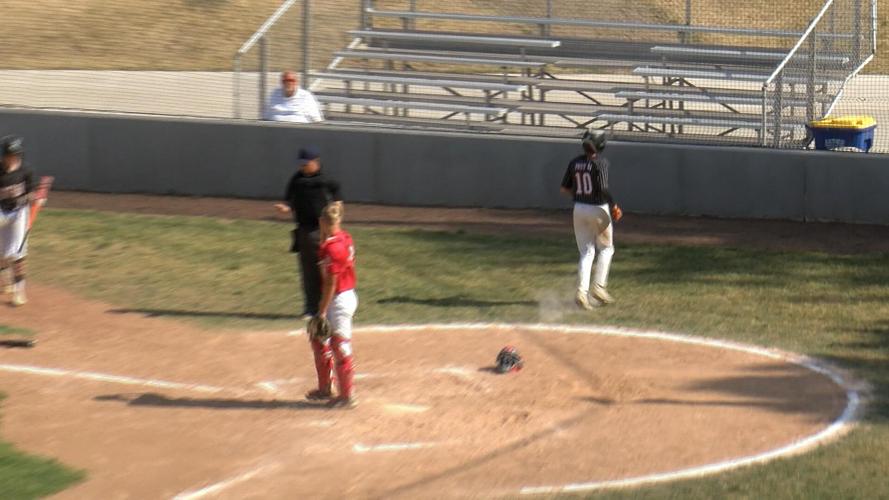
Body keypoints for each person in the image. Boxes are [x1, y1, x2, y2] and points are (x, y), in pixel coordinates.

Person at [274, 147, 342, 318]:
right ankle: (311, 308)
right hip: (304, 230)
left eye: (306, 164)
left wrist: (335, 227)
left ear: (315, 162)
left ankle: (331, 306)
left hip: (324, 231)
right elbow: (289, 200)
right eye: (301, 164)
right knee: (308, 271)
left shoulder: (327, 180)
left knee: (328, 270)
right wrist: (285, 207)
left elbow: (339, 203)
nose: (303, 167)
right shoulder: (297, 180)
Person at [560, 129, 622, 310]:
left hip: (579, 208)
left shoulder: (574, 163)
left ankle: (581, 291)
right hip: (598, 208)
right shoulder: (601, 163)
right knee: (606, 248)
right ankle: (599, 287)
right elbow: (603, 188)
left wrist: (579, 194)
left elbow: (564, 189)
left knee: (586, 252)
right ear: (601, 145)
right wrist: (614, 205)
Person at [306, 202, 358, 408]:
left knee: (339, 345)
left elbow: (330, 283)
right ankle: (325, 387)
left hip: (339, 300)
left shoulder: (334, 248)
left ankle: (347, 396)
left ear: (322, 222)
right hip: (340, 296)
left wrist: (321, 311)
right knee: (318, 338)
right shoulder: (343, 238)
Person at [0, 136, 36, 306]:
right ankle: (5, 281)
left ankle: (19, 292)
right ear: (4, 156)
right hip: (1, 211)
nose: (15, 158)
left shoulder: (25, 171)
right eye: (12, 155)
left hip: (19, 213)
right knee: (3, 252)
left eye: (17, 154)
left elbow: (32, 193)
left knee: (18, 253)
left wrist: (25, 199)